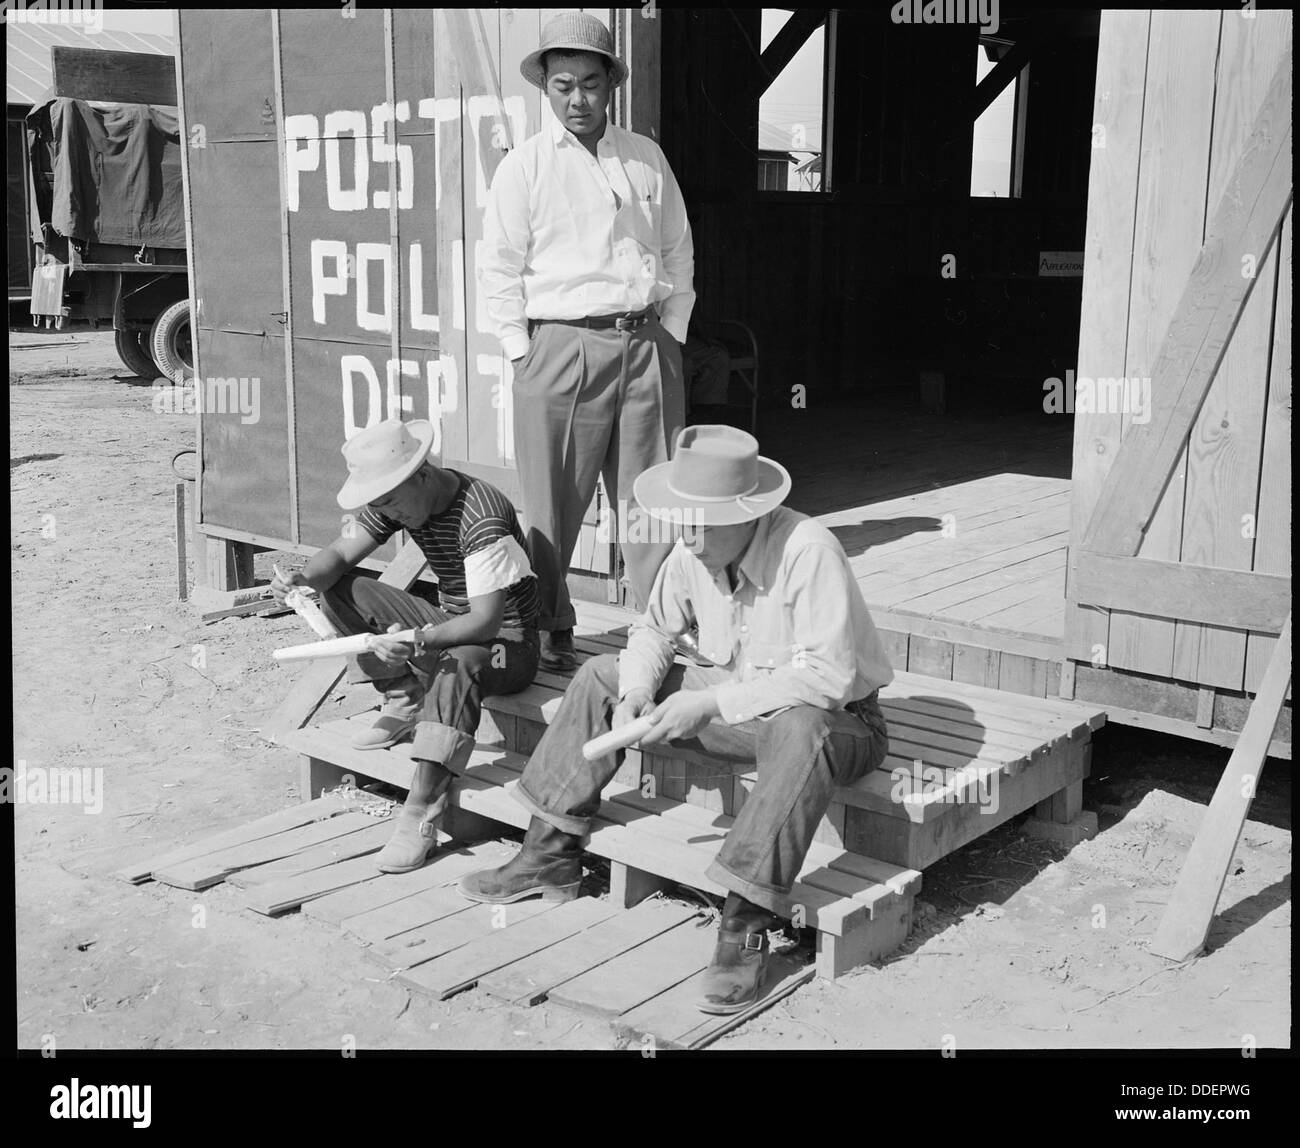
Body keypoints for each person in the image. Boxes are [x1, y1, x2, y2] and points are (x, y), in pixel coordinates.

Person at [458, 426, 895, 1014]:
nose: (685, 537)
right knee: (603, 675)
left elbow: (830, 679)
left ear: (749, 513)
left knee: (799, 726)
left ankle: (744, 927)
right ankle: (549, 851)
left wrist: (709, 704)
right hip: (744, 701)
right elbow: (653, 630)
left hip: (842, 725)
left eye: (700, 522)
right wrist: (638, 691)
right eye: (680, 521)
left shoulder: (807, 549)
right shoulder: (695, 551)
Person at [479, 9, 695, 672]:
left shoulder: (646, 157)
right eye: (563, 84)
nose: (578, 99)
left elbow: (678, 250)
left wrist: (673, 334)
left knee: (653, 498)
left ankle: (661, 629)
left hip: (644, 345)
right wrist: (524, 352)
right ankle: (550, 624)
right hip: (562, 347)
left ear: (612, 86)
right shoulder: (525, 166)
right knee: (553, 502)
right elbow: (499, 267)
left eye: (591, 84)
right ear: (546, 87)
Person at [270, 419, 540, 874]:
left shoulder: (482, 515)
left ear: (422, 474)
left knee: (460, 659)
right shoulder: (397, 497)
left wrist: (414, 640)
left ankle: (422, 809)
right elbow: (337, 557)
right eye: (380, 503)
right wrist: (302, 579)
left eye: (391, 500)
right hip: (454, 621)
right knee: (338, 586)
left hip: (507, 642)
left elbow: (486, 622)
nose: (387, 511)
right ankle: (405, 699)